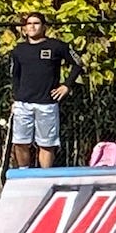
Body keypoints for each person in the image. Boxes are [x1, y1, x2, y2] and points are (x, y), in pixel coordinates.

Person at [8, 11, 85, 170]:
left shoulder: (56, 46)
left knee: (47, 143)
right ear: (24, 28)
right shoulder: (19, 50)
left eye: (36, 23)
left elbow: (78, 64)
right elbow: (15, 75)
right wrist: (15, 99)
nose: (32, 26)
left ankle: (45, 176)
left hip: (47, 104)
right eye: (29, 24)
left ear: (44, 27)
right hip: (23, 103)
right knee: (20, 141)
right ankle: (24, 175)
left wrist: (66, 85)